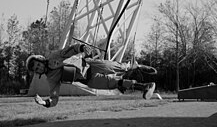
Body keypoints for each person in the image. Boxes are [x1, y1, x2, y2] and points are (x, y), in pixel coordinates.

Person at [26, 43, 160, 108]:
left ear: (40, 59)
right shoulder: (51, 79)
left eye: (38, 65)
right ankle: (144, 87)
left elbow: (71, 49)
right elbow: (54, 99)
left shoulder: (55, 55)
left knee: (117, 68)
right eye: (36, 69)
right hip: (88, 80)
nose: (39, 68)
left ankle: (137, 66)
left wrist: (82, 49)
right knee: (114, 84)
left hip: (90, 65)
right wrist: (44, 102)